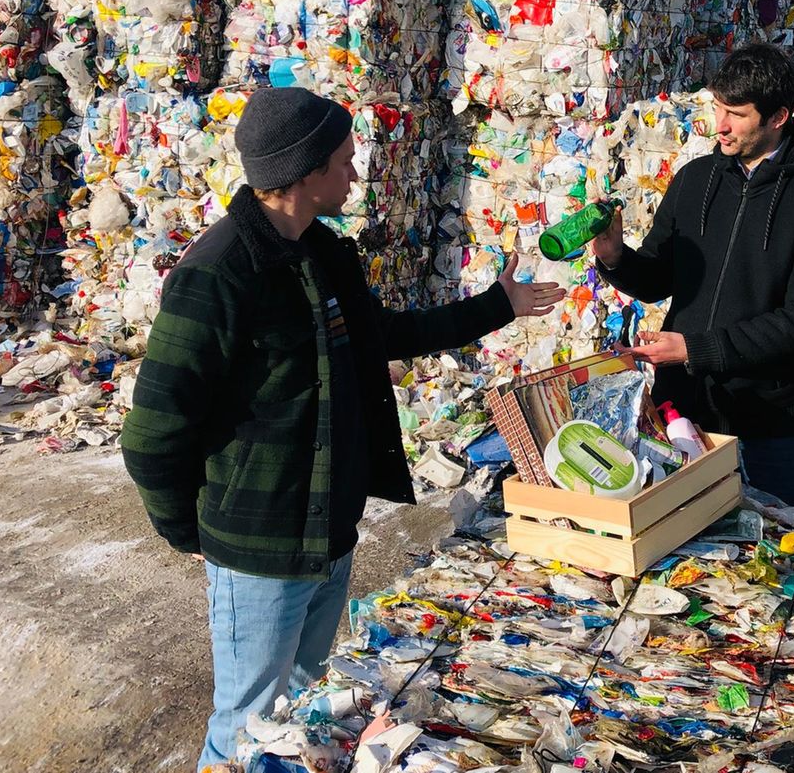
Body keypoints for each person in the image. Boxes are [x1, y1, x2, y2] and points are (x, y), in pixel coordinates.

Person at [119, 87, 562, 770]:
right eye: (346, 162)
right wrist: (195, 531)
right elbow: (152, 432)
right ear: (305, 171)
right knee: (247, 720)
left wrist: (495, 307)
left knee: (304, 709)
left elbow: (383, 333)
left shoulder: (320, 252)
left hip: (327, 534)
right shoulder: (218, 272)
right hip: (259, 547)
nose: (356, 175)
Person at [590, 42, 794, 506]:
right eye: (716, 108)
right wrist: (615, 257)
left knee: (775, 566)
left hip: (770, 428)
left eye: (736, 113)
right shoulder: (696, 179)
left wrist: (696, 349)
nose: (720, 126)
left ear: (778, 118)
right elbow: (657, 279)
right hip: (683, 421)